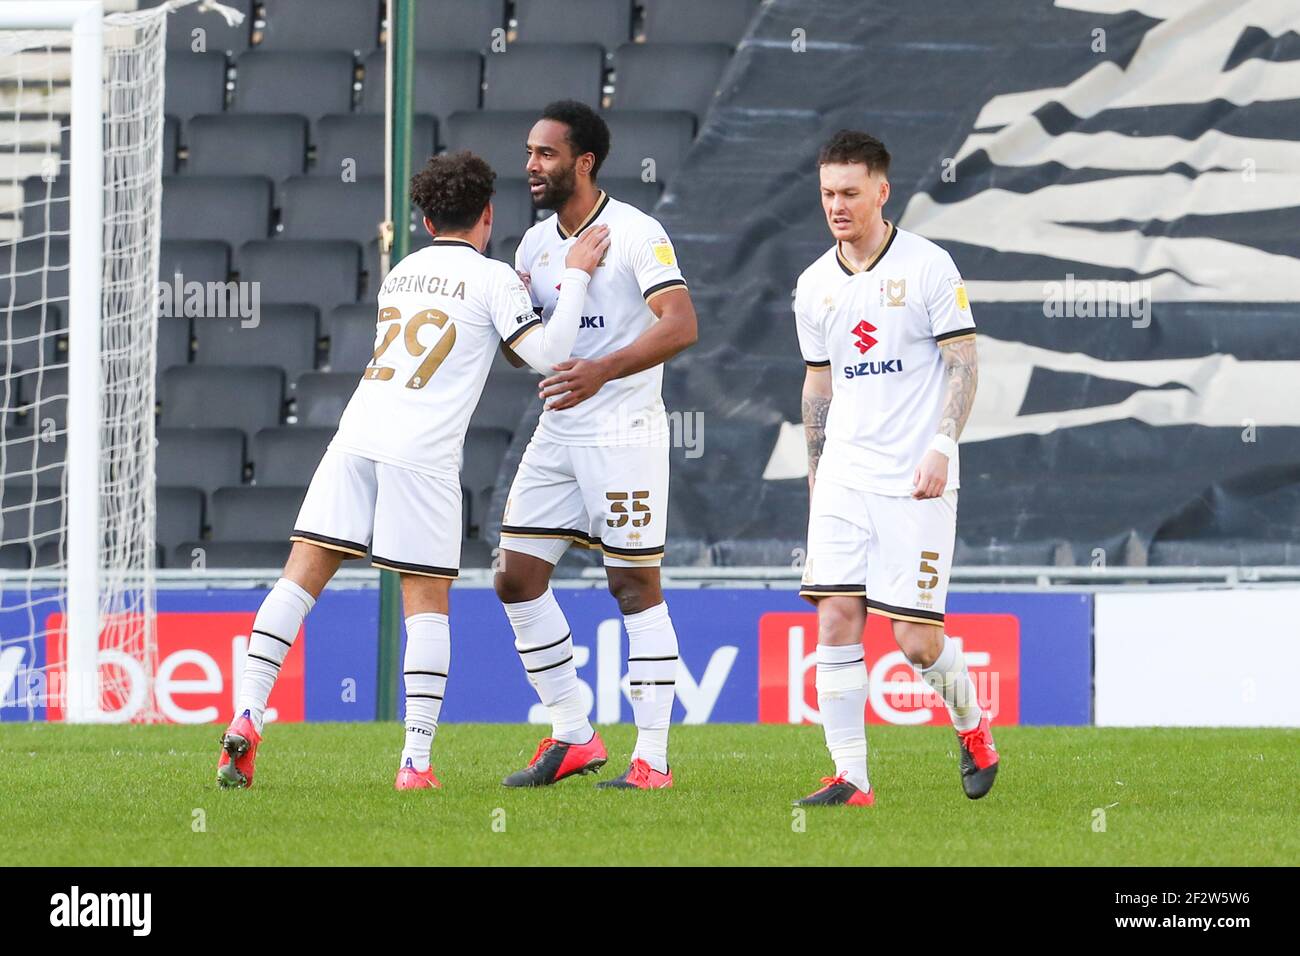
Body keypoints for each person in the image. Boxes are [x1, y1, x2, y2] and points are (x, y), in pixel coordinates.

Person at [214, 151, 609, 791]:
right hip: (422, 454)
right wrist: (577, 276)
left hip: (356, 435)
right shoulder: (493, 280)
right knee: (425, 603)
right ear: (488, 213)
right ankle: (415, 764)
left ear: (426, 221)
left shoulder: (401, 272)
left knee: (300, 576)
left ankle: (248, 712)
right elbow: (549, 356)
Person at [493, 100, 699, 790]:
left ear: (584, 162)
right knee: (515, 577)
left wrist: (603, 369)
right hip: (560, 426)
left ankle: (654, 761)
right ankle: (574, 734)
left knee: (633, 585)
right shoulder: (534, 246)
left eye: (546, 154)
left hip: (624, 431)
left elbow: (681, 324)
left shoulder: (638, 233)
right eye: (528, 153)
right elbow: (530, 357)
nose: (530, 166)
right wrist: (510, 321)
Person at [792, 129, 999, 807]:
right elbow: (818, 385)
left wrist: (943, 445)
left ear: (882, 190)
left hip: (917, 476)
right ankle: (851, 776)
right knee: (835, 618)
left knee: (914, 639)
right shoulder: (815, 285)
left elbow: (964, 363)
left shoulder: (930, 266)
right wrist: (817, 470)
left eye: (850, 193)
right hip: (846, 474)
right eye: (827, 193)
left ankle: (970, 723)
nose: (837, 206)